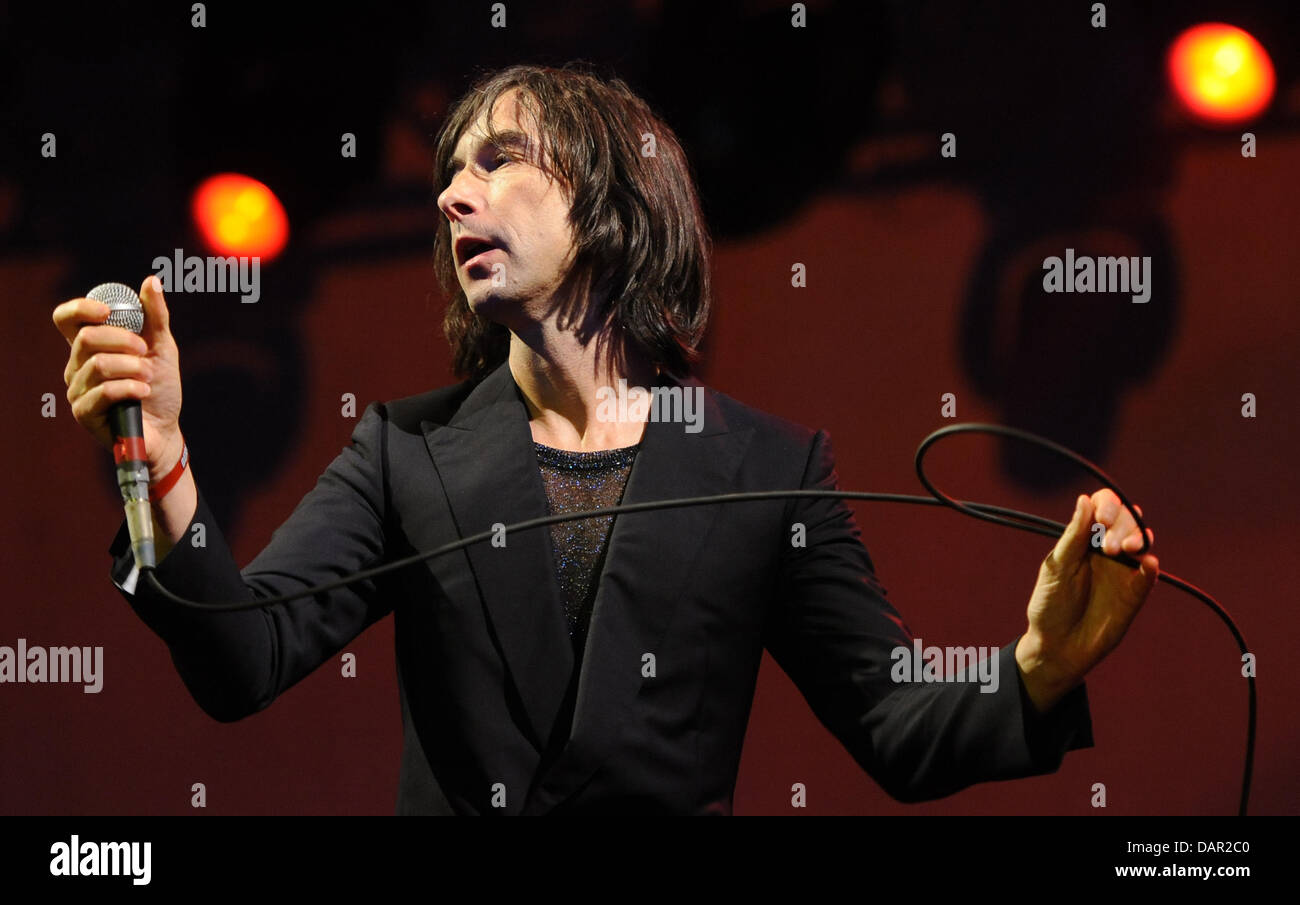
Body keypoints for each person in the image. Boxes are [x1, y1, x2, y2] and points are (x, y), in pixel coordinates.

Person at [52, 63, 1159, 814]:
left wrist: (1035, 668)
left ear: (608, 197)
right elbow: (241, 656)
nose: (448, 195)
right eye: (446, 170)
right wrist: (162, 466)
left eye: (495, 160)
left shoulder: (765, 470)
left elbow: (892, 720)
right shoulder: (402, 451)